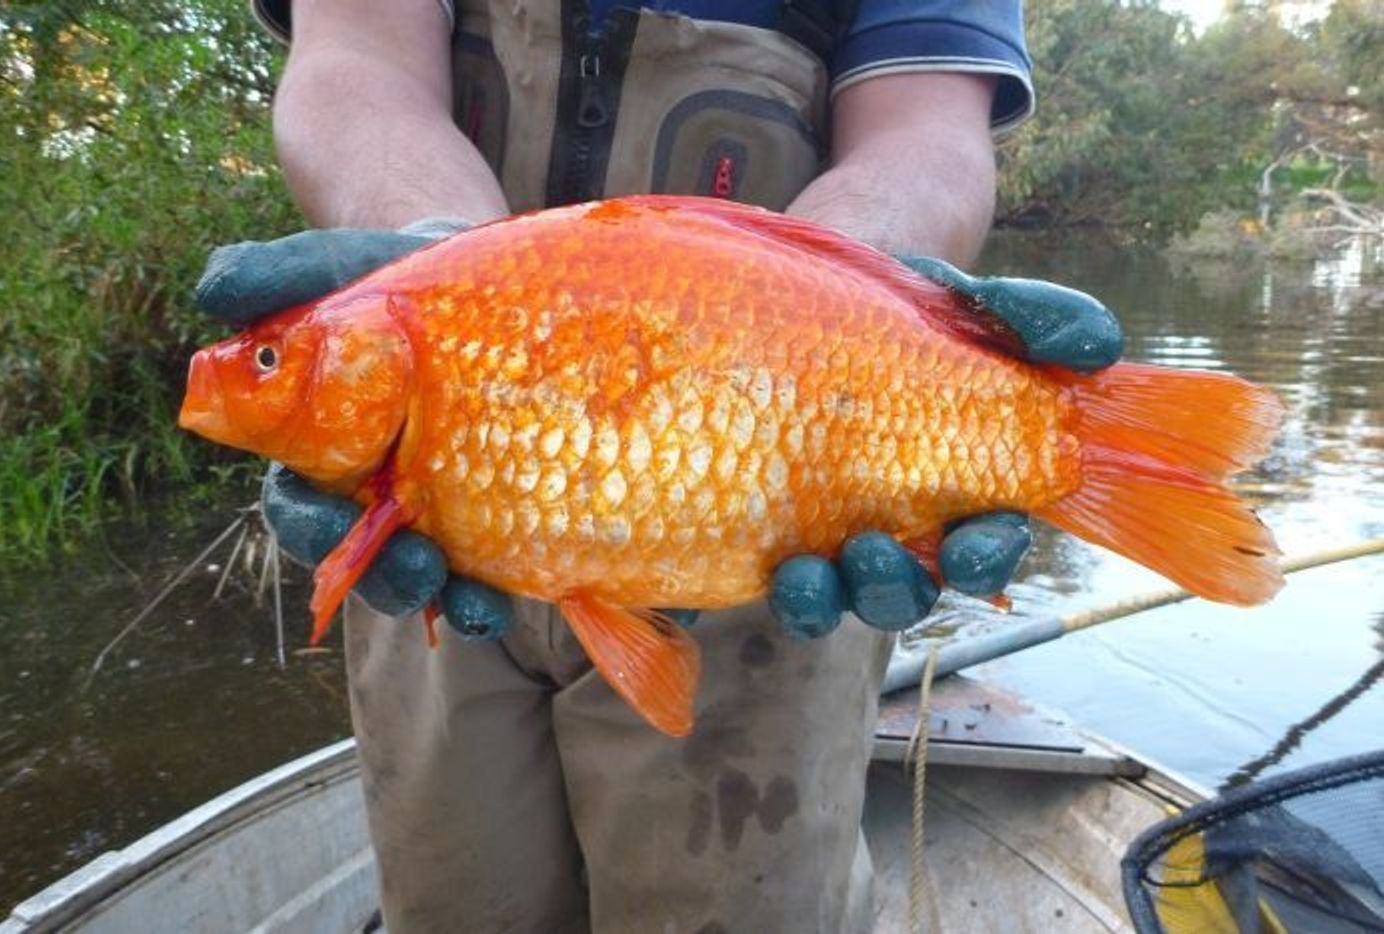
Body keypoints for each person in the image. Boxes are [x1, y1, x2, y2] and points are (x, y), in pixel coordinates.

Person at [196, 2, 1119, 930]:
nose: (240, 376)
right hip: (434, 573)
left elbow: (926, 132)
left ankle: (1082, 449)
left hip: (770, 518)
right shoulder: (408, 355)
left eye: (274, 362)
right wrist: (433, 245)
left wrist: (850, 299)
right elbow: (357, 58)